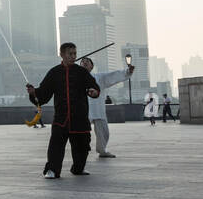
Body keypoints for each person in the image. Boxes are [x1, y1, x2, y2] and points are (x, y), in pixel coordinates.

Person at [26, 42, 101, 179]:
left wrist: (93, 92)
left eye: (75, 54)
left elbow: (93, 87)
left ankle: (78, 169)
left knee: (82, 146)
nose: (73, 57)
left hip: (79, 117)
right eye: (70, 54)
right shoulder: (54, 72)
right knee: (56, 146)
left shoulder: (82, 72)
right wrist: (33, 93)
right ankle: (52, 170)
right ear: (62, 54)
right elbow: (43, 94)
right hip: (61, 118)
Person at [79, 57, 135, 159]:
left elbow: (114, 75)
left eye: (87, 62)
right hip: (83, 110)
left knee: (104, 132)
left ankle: (102, 150)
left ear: (92, 66)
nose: (84, 63)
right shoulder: (75, 78)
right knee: (81, 133)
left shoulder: (99, 77)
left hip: (98, 108)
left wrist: (127, 71)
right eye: (82, 62)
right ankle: (80, 152)